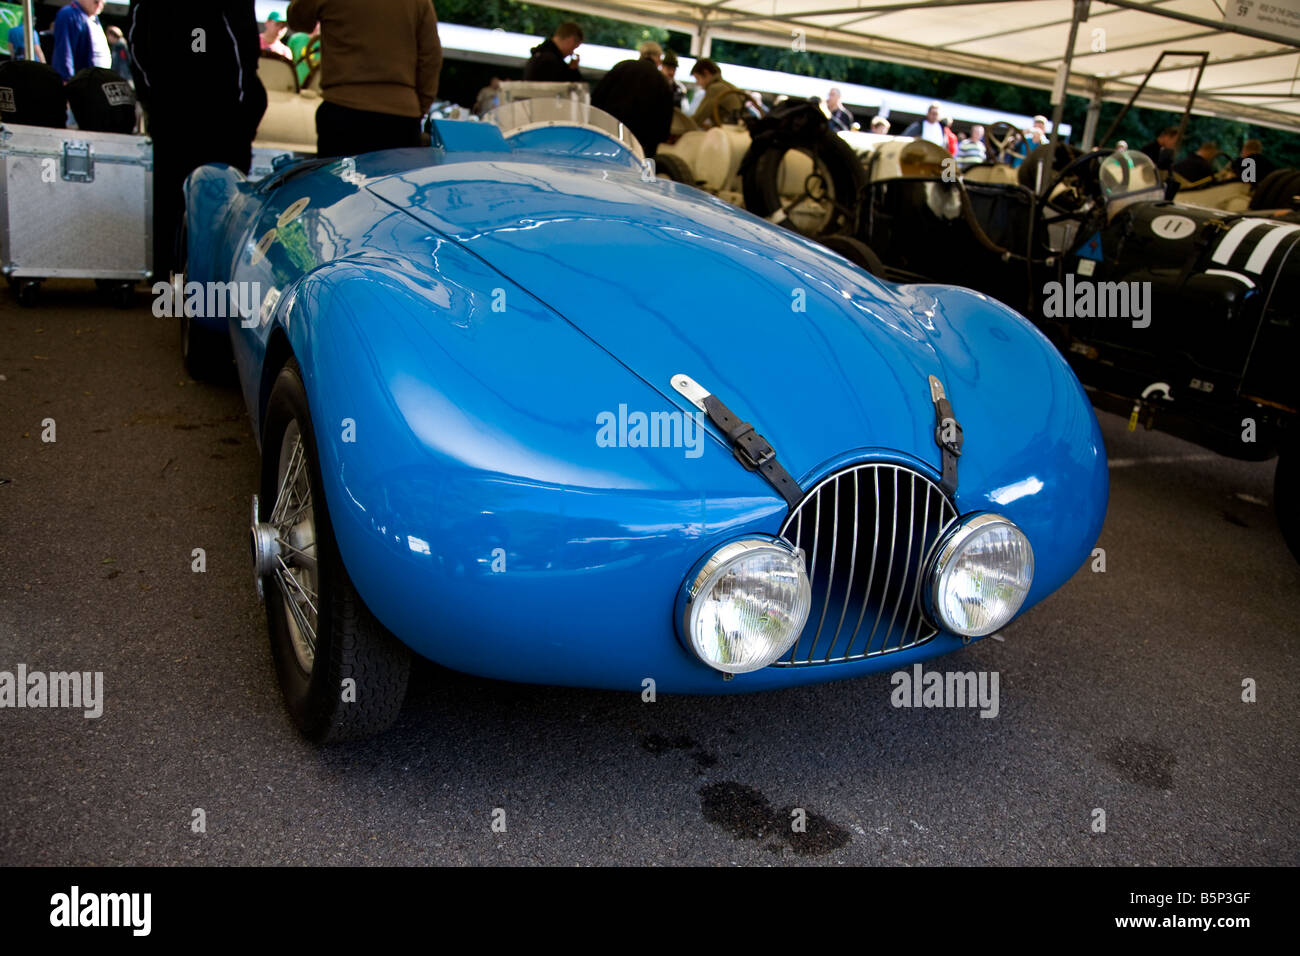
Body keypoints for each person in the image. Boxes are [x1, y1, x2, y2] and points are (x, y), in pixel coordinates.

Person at [127, 1, 267, 277]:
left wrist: (152, 96)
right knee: (221, 199)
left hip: (190, 112)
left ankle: (172, 274)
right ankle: (209, 277)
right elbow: (245, 49)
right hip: (215, 115)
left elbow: (136, 43)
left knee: (178, 196)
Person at [287, 0, 442, 158]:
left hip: (343, 109)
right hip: (401, 116)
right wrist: (419, 107)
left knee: (339, 181)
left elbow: (298, 20)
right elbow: (431, 57)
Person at [590, 41, 673, 157]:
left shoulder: (621, 67)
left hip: (610, 135)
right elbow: (665, 120)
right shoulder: (662, 81)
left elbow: (596, 98)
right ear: (658, 58)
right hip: (641, 144)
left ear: (642, 53)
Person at [52, 0, 111, 81]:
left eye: (103, 3)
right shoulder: (69, 14)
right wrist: (66, 79)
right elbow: (64, 52)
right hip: (81, 82)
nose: (99, 5)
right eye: (96, 2)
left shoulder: (93, 17)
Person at [689, 58, 742, 130]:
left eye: (697, 78)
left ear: (706, 73)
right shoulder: (727, 85)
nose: (698, 83)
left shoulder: (715, 88)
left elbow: (698, 118)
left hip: (729, 132)